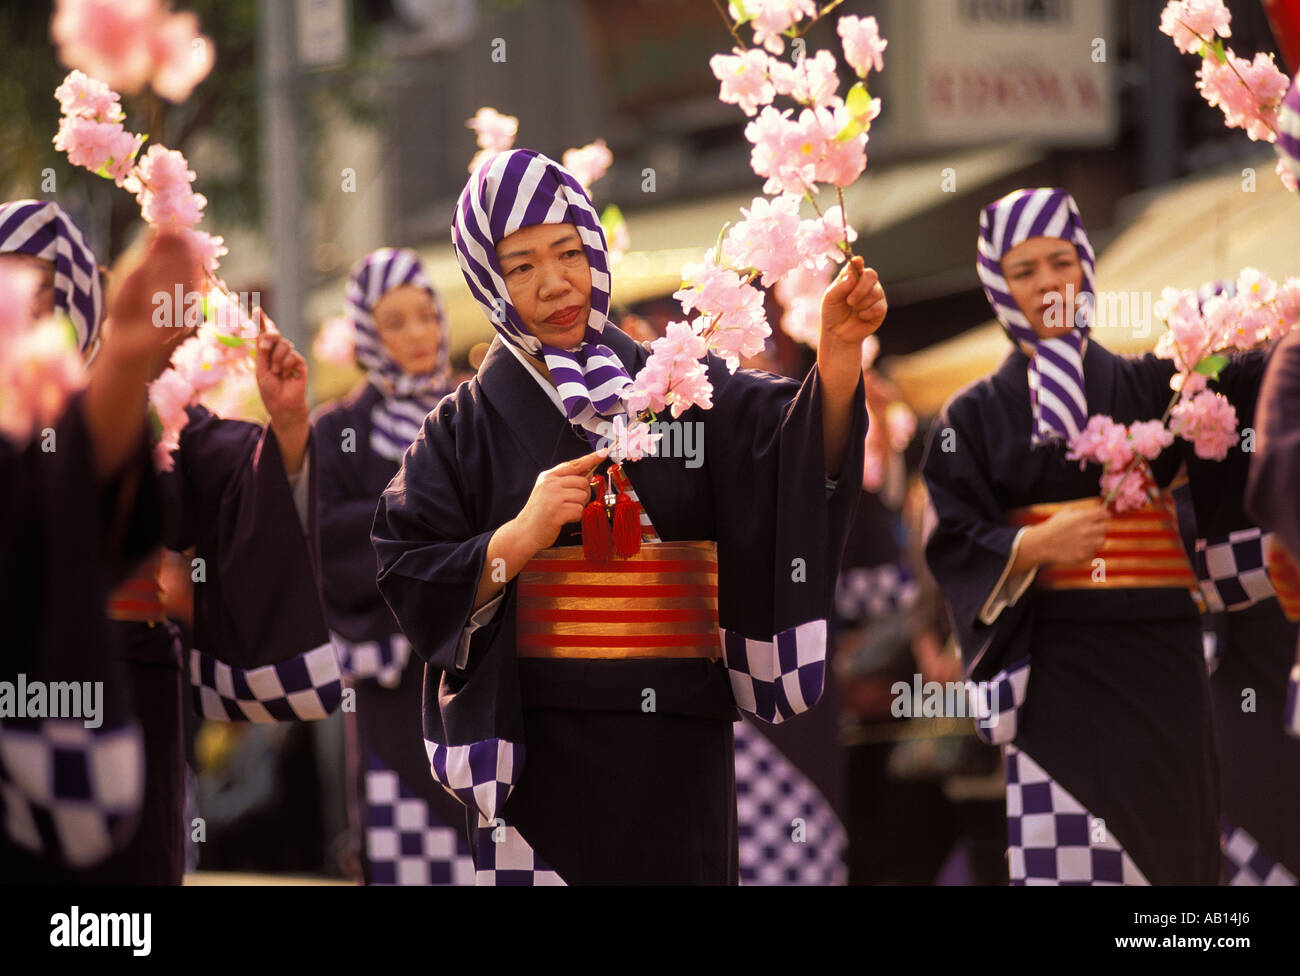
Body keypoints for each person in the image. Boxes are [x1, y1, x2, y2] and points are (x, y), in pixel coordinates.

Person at [372, 148, 881, 884]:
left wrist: (837, 351)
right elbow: (401, 558)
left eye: (567, 251)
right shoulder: (462, 427)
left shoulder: (678, 384)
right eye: (520, 267)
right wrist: (518, 536)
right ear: (488, 280)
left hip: (678, 743)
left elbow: (793, 451)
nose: (554, 282)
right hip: (535, 749)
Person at [1, 198, 339, 884]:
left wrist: (288, 424)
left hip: (129, 679)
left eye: (45, 293)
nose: (26, 315)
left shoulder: (151, 405)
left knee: (127, 896)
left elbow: (236, 489)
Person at [922, 187, 1220, 884]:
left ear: (1086, 266)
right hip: (1054, 669)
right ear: (997, 283)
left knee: (1177, 851)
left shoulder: (1157, 383)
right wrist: (1030, 547)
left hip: (1163, 659)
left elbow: (1225, 469)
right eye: (1024, 270)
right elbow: (952, 540)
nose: (1048, 282)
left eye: (1060, 261)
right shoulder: (971, 412)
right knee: (1074, 857)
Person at [0, 202, 186, 874]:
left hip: (117, 672)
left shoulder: (121, 407)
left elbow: (95, 496)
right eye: (9, 285)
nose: (26, 307)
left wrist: (129, 354)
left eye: (47, 290)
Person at [313, 248, 473, 885]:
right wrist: (429, 528)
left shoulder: (473, 413)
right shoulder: (335, 431)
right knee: (405, 839)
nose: (417, 335)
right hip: (390, 682)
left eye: (425, 316)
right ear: (365, 335)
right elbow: (327, 546)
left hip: (475, 665)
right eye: (394, 322)